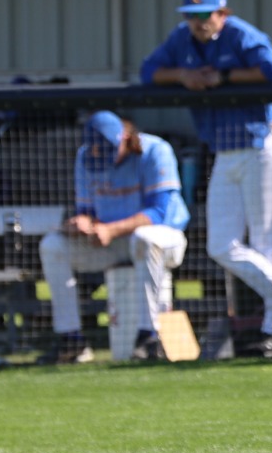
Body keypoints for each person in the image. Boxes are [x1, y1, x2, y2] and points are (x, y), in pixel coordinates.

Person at [140, 0, 272, 357]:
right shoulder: (182, 39)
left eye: (205, 14)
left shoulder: (241, 35)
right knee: (220, 245)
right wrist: (182, 76)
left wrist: (225, 78)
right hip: (225, 150)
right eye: (191, 16)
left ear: (222, 13)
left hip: (263, 143)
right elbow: (149, 70)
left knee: (269, 241)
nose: (198, 22)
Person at [37, 112, 191, 364]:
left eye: (108, 150)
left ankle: (149, 337)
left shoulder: (155, 150)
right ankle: (71, 339)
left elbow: (159, 212)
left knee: (144, 238)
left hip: (164, 239)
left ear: (125, 138)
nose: (102, 158)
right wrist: (83, 224)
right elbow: (87, 211)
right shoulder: (86, 157)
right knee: (53, 245)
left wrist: (111, 230)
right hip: (113, 241)